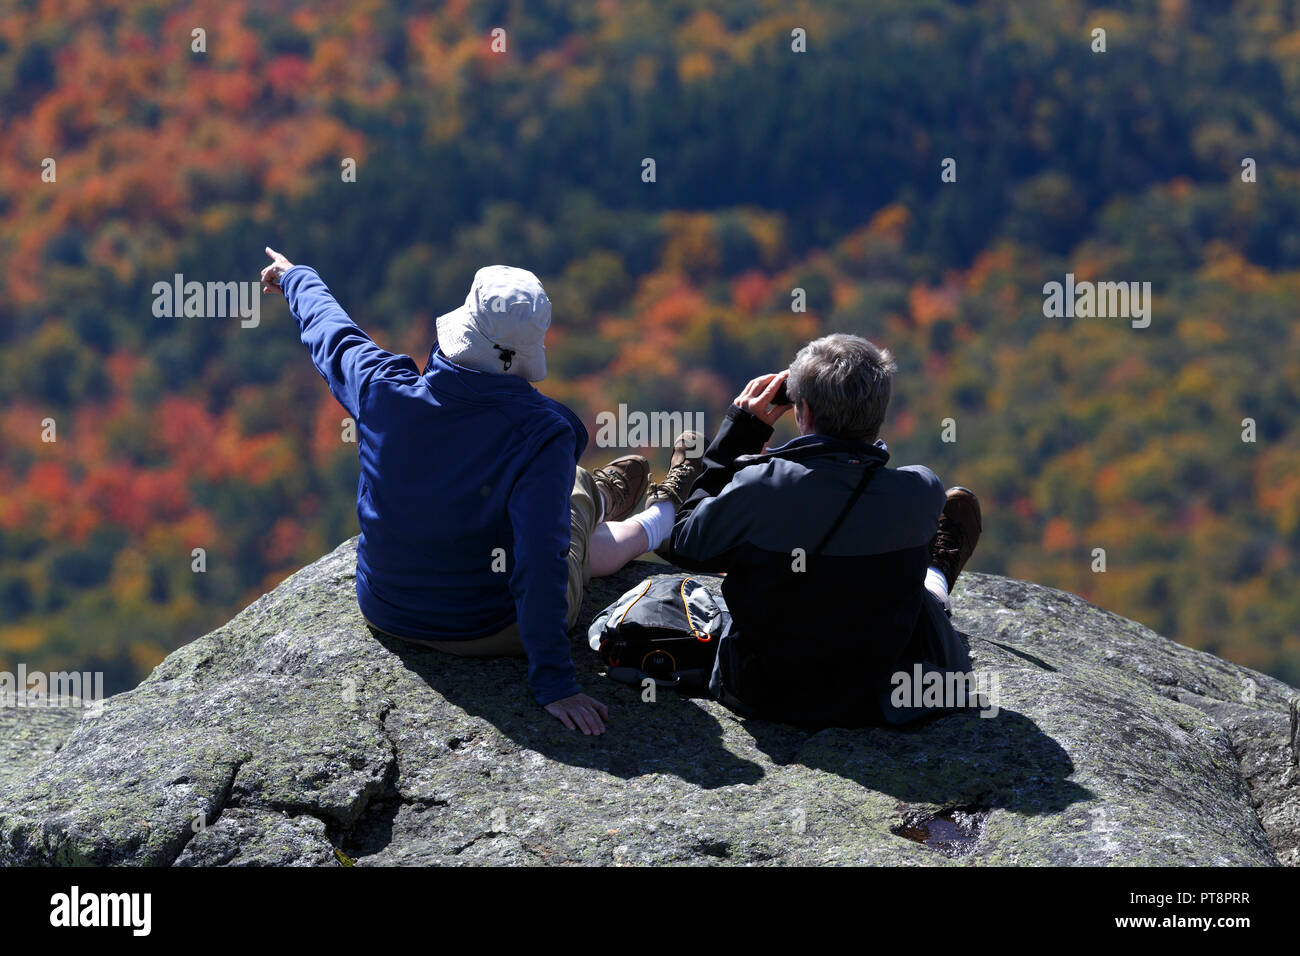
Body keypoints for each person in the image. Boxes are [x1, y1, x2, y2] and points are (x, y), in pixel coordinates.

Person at [260, 248, 701, 735]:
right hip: (491, 628)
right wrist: (555, 682)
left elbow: (332, 334)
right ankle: (660, 515)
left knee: (561, 499)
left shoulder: (382, 387)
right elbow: (540, 558)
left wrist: (294, 277)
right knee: (567, 528)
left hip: (387, 609)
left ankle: (602, 496)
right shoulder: (541, 434)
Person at [662, 333, 983, 729]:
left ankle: (934, 578)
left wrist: (738, 435)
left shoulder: (761, 488)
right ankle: (936, 575)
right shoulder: (921, 490)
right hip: (881, 697)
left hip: (764, 693)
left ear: (804, 412)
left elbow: (686, 544)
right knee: (910, 585)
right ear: (879, 411)